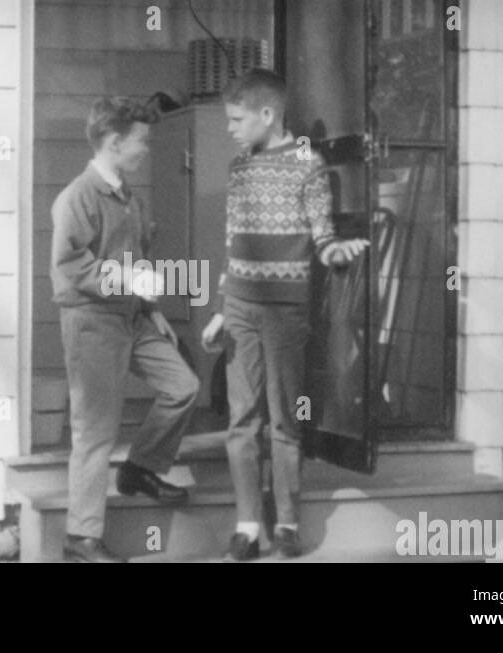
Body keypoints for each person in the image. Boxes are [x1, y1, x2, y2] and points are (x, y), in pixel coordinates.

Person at [201, 69, 369, 561]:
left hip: (285, 313)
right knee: (241, 419)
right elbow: (233, 244)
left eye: (237, 119)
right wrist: (218, 310)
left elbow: (323, 239)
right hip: (240, 310)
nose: (230, 128)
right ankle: (249, 526)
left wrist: (340, 252)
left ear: (267, 115)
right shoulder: (238, 167)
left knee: (285, 419)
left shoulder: (306, 163)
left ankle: (289, 523)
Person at [51, 96, 200, 563]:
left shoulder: (127, 196)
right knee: (95, 431)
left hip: (132, 317)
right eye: (142, 141)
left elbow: (135, 259)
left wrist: (150, 308)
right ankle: (82, 537)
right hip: (92, 324)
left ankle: (139, 469)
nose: (146, 149)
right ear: (114, 142)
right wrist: (127, 280)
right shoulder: (78, 196)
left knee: (183, 386)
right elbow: (71, 267)